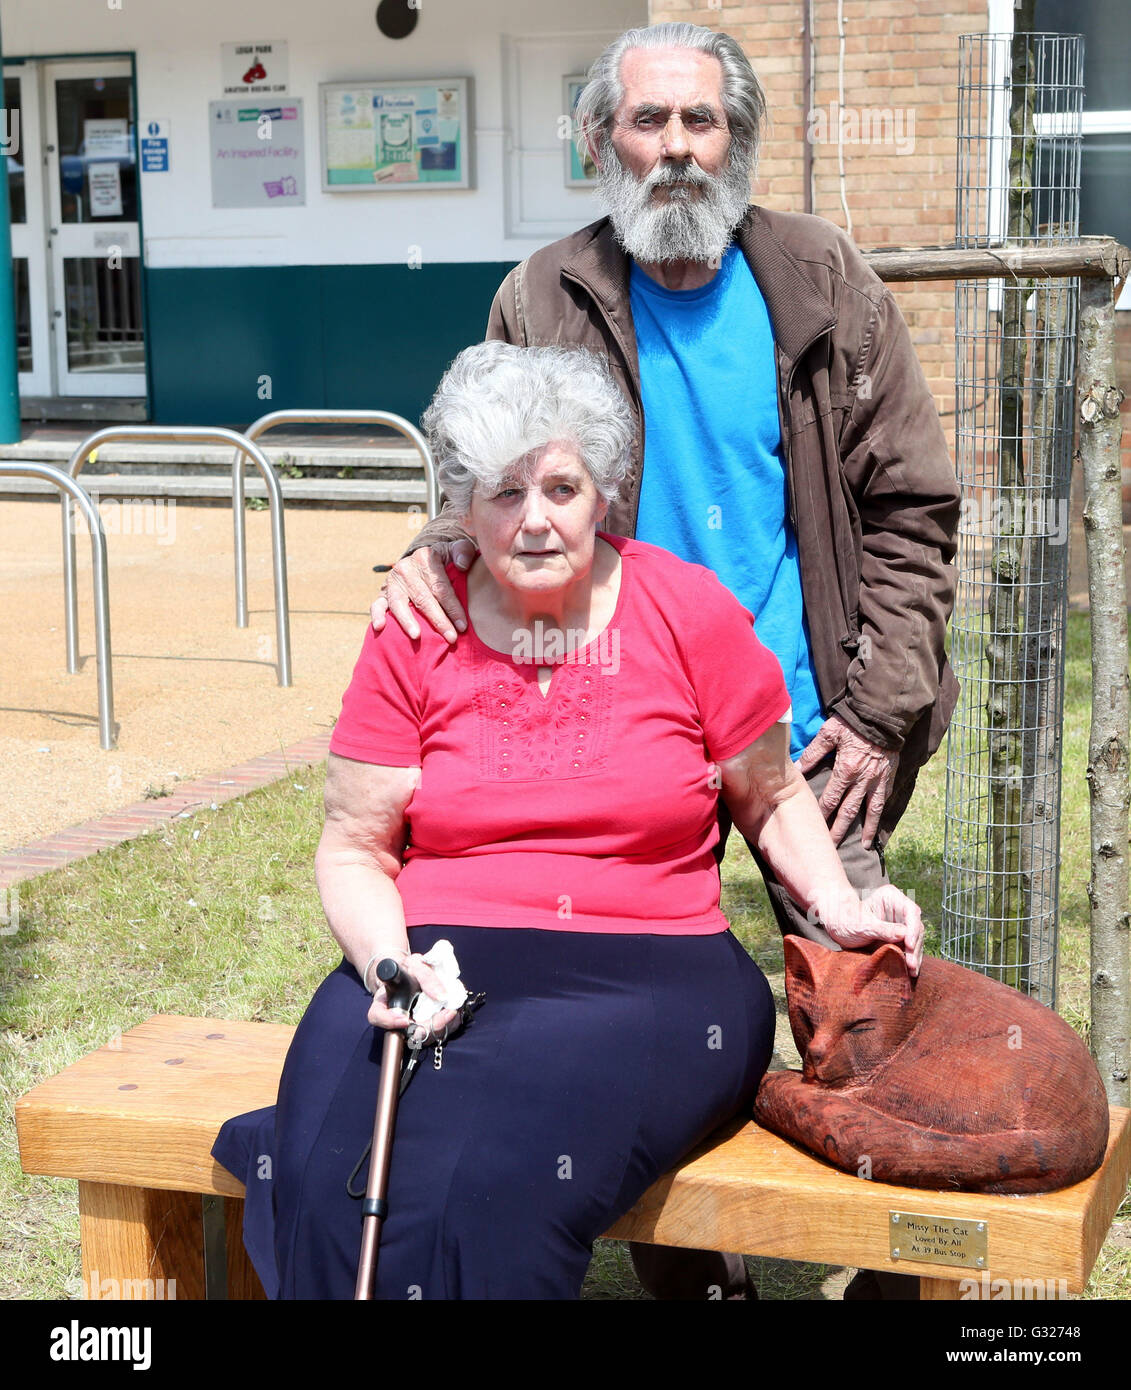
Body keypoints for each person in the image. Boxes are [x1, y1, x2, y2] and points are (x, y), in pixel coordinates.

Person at [370, 22, 960, 1299]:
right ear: (602, 140)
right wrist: (431, 554)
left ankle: (896, 1274)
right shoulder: (542, 296)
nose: (679, 150)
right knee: (642, 1017)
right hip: (627, 730)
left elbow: (914, 509)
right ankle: (699, 1273)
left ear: (737, 139)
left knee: (864, 1006)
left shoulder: (823, 280)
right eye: (652, 123)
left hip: (810, 737)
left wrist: (880, 709)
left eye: (705, 124)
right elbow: (492, 473)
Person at [212, 342, 924, 1300]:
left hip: (646, 971)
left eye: (560, 486)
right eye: (504, 493)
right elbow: (352, 848)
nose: (536, 519)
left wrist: (839, 906)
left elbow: (772, 793)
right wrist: (391, 961)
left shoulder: (686, 611)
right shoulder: (417, 627)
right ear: (462, 508)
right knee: (321, 1167)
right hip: (433, 955)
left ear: (605, 495)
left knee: (494, 1178)